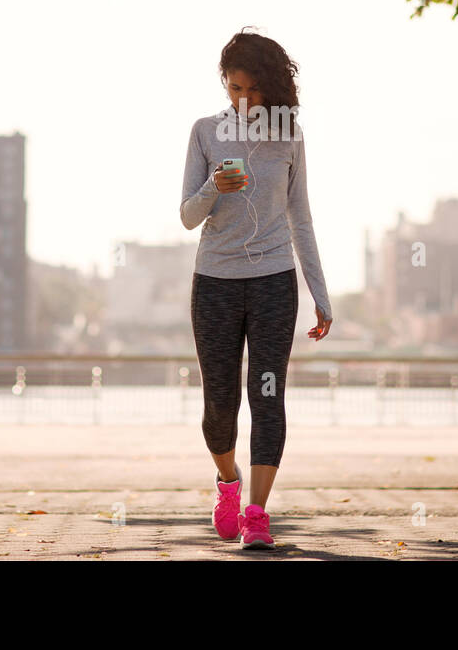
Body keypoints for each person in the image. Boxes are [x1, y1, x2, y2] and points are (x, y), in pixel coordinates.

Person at [179, 28, 332, 550]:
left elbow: (301, 218)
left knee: (267, 397)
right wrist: (211, 188)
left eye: (251, 89)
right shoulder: (204, 132)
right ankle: (227, 482)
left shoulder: (289, 137)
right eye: (233, 88)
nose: (242, 100)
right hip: (215, 284)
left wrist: (320, 292)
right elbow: (185, 217)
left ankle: (257, 514)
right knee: (220, 404)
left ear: (270, 87)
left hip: (272, 282)